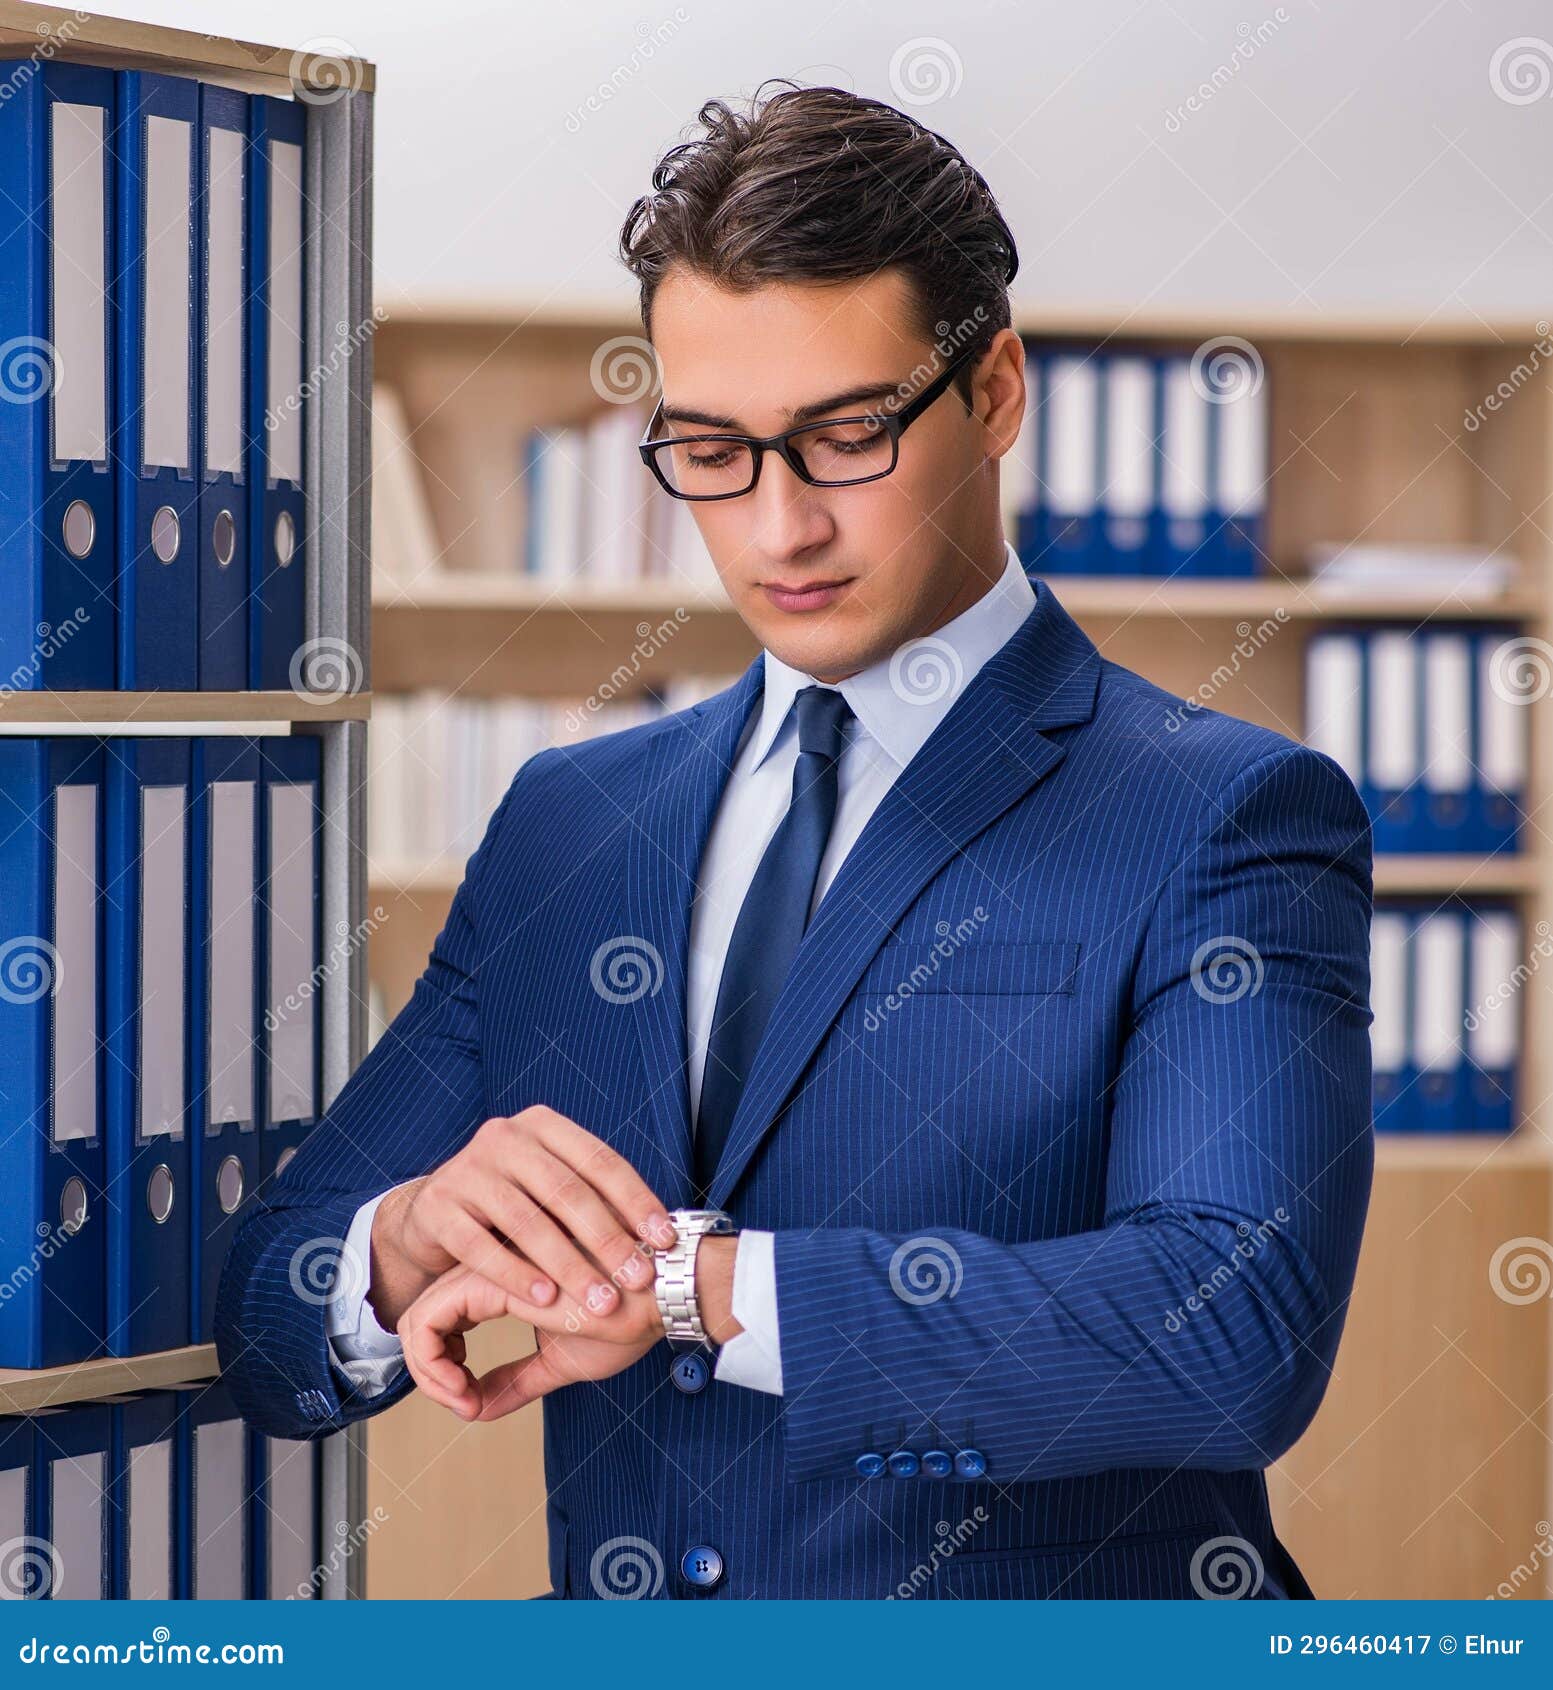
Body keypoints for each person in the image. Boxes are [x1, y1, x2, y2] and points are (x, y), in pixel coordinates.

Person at [217, 78, 1373, 1601]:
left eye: (844, 439)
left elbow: (1230, 1331)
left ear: (996, 393)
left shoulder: (1216, 808)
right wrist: (406, 1234)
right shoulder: (574, 823)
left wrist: (701, 1288)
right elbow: (266, 1313)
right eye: (709, 449)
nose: (777, 529)